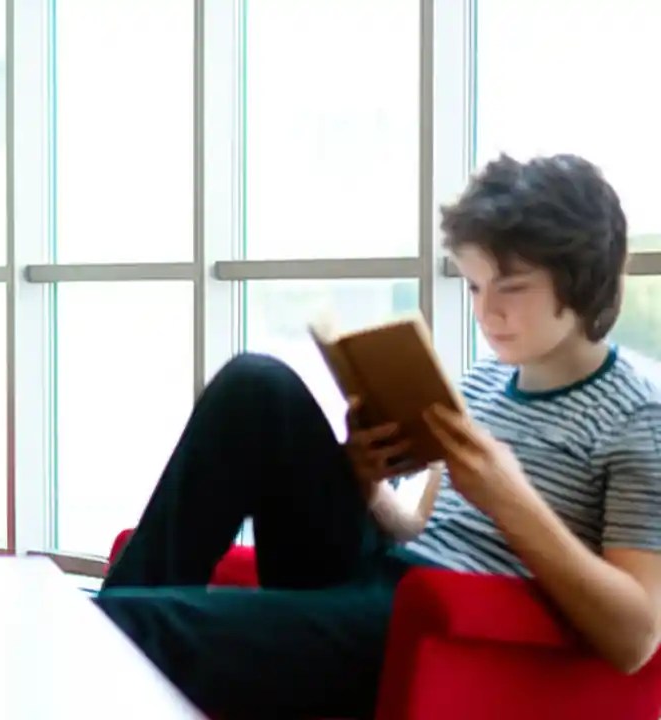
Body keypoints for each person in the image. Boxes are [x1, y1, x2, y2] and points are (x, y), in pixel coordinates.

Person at [95, 153, 661, 718]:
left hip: (439, 627)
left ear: (580, 280)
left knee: (146, 626)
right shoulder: (485, 380)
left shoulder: (639, 416)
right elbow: (423, 531)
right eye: (473, 287)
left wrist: (509, 497)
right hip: (384, 584)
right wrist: (368, 488)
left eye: (510, 288)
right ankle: (101, 634)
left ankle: (89, 647)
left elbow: (637, 638)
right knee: (256, 384)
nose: (487, 312)